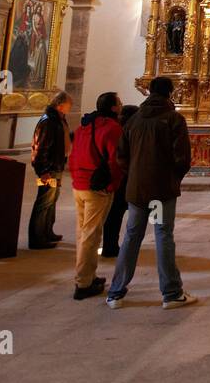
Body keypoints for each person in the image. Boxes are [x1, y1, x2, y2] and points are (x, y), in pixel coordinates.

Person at [107, 77, 195, 310]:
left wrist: (136, 174)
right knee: (163, 236)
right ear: (170, 93)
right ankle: (171, 293)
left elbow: (121, 156)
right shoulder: (173, 119)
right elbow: (182, 158)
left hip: (137, 189)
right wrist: (171, 177)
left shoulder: (134, 119)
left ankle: (115, 293)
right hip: (161, 190)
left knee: (131, 236)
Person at [68, 91, 123, 300]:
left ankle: (88, 275)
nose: (121, 104)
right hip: (97, 188)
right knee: (91, 234)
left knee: (83, 233)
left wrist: (76, 178)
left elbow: (73, 155)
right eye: (119, 102)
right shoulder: (111, 128)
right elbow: (115, 161)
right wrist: (112, 185)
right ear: (113, 108)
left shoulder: (83, 127)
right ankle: (83, 283)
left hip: (79, 185)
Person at [27, 91, 71, 249]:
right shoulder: (49, 122)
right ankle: (37, 238)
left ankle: (47, 231)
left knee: (51, 201)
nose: (70, 107)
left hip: (56, 166)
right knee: (44, 201)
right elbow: (41, 148)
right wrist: (43, 170)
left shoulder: (58, 120)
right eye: (68, 104)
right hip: (49, 169)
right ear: (60, 105)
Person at [100, 103, 138, 260]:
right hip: (124, 178)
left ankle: (110, 244)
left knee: (113, 214)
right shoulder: (127, 131)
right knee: (131, 214)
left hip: (117, 178)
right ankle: (116, 246)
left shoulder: (116, 128)